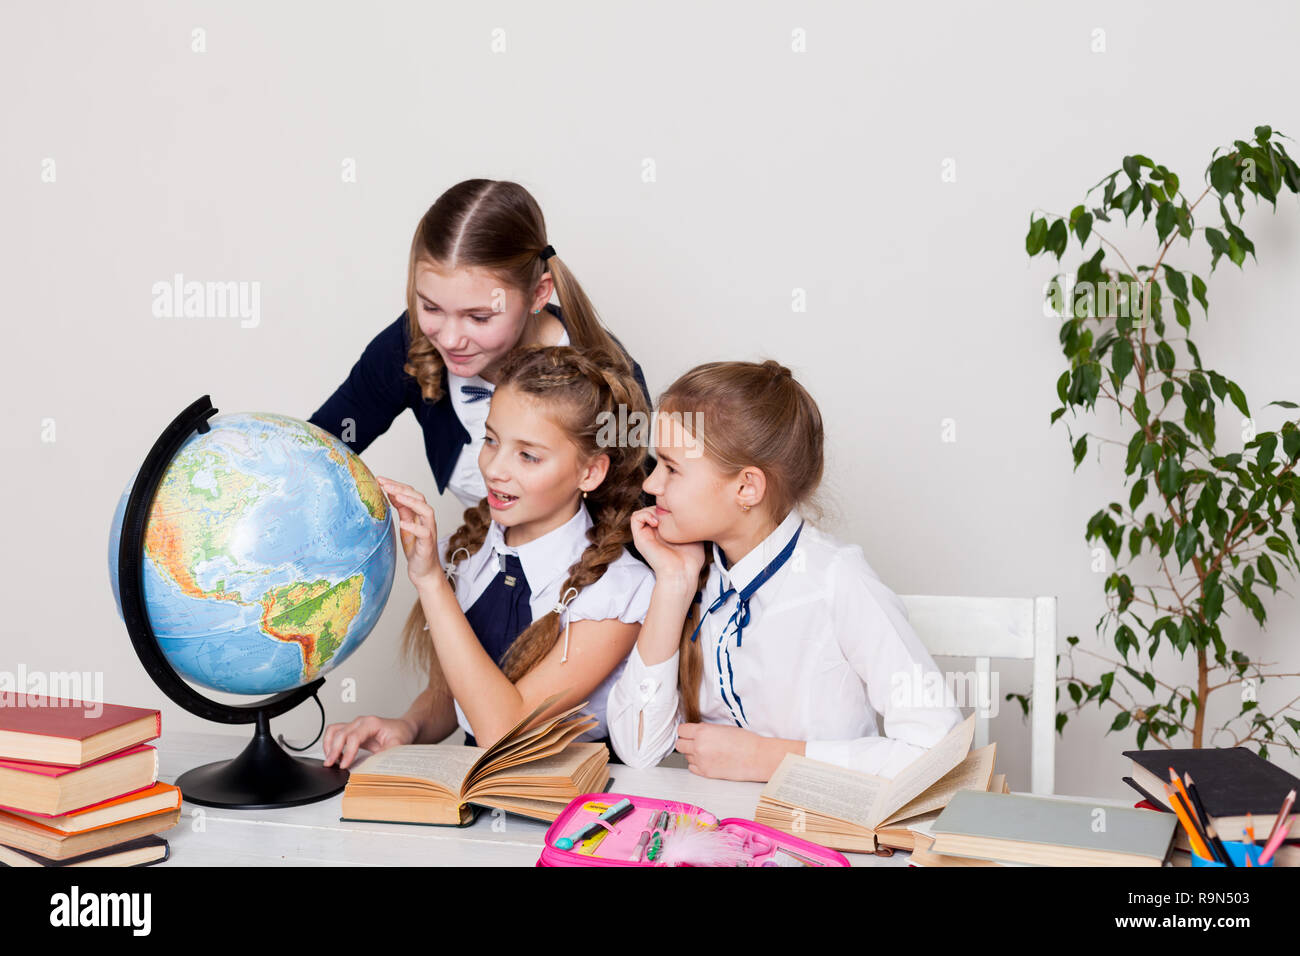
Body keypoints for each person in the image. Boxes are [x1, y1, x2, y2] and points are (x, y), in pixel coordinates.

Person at [605, 360, 964, 781]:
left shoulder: (836, 579)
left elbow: (940, 752)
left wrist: (769, 759)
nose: (650, 485)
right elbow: (638, 750)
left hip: (819, 832)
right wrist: (673, 583)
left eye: (671, 468)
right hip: (719, 828)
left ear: (747, 488)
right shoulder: (691, 567)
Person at [322, 346, 654, 768]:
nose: (495, 468)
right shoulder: (471, 551)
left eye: (528, 455)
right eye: (491, 440)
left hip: (570, 811)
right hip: (477, 796)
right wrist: (407, 728)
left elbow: (503, 730)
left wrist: (430, 581)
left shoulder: (618, 590)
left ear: (590, 472)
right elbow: (460, 692)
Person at [308, 178, 651, 509]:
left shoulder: (613, 381)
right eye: (431, 307)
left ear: (538, 294)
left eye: (479, 317)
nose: (451, 339)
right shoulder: (408, 344)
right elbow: (319, 451)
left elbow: (624, 518)